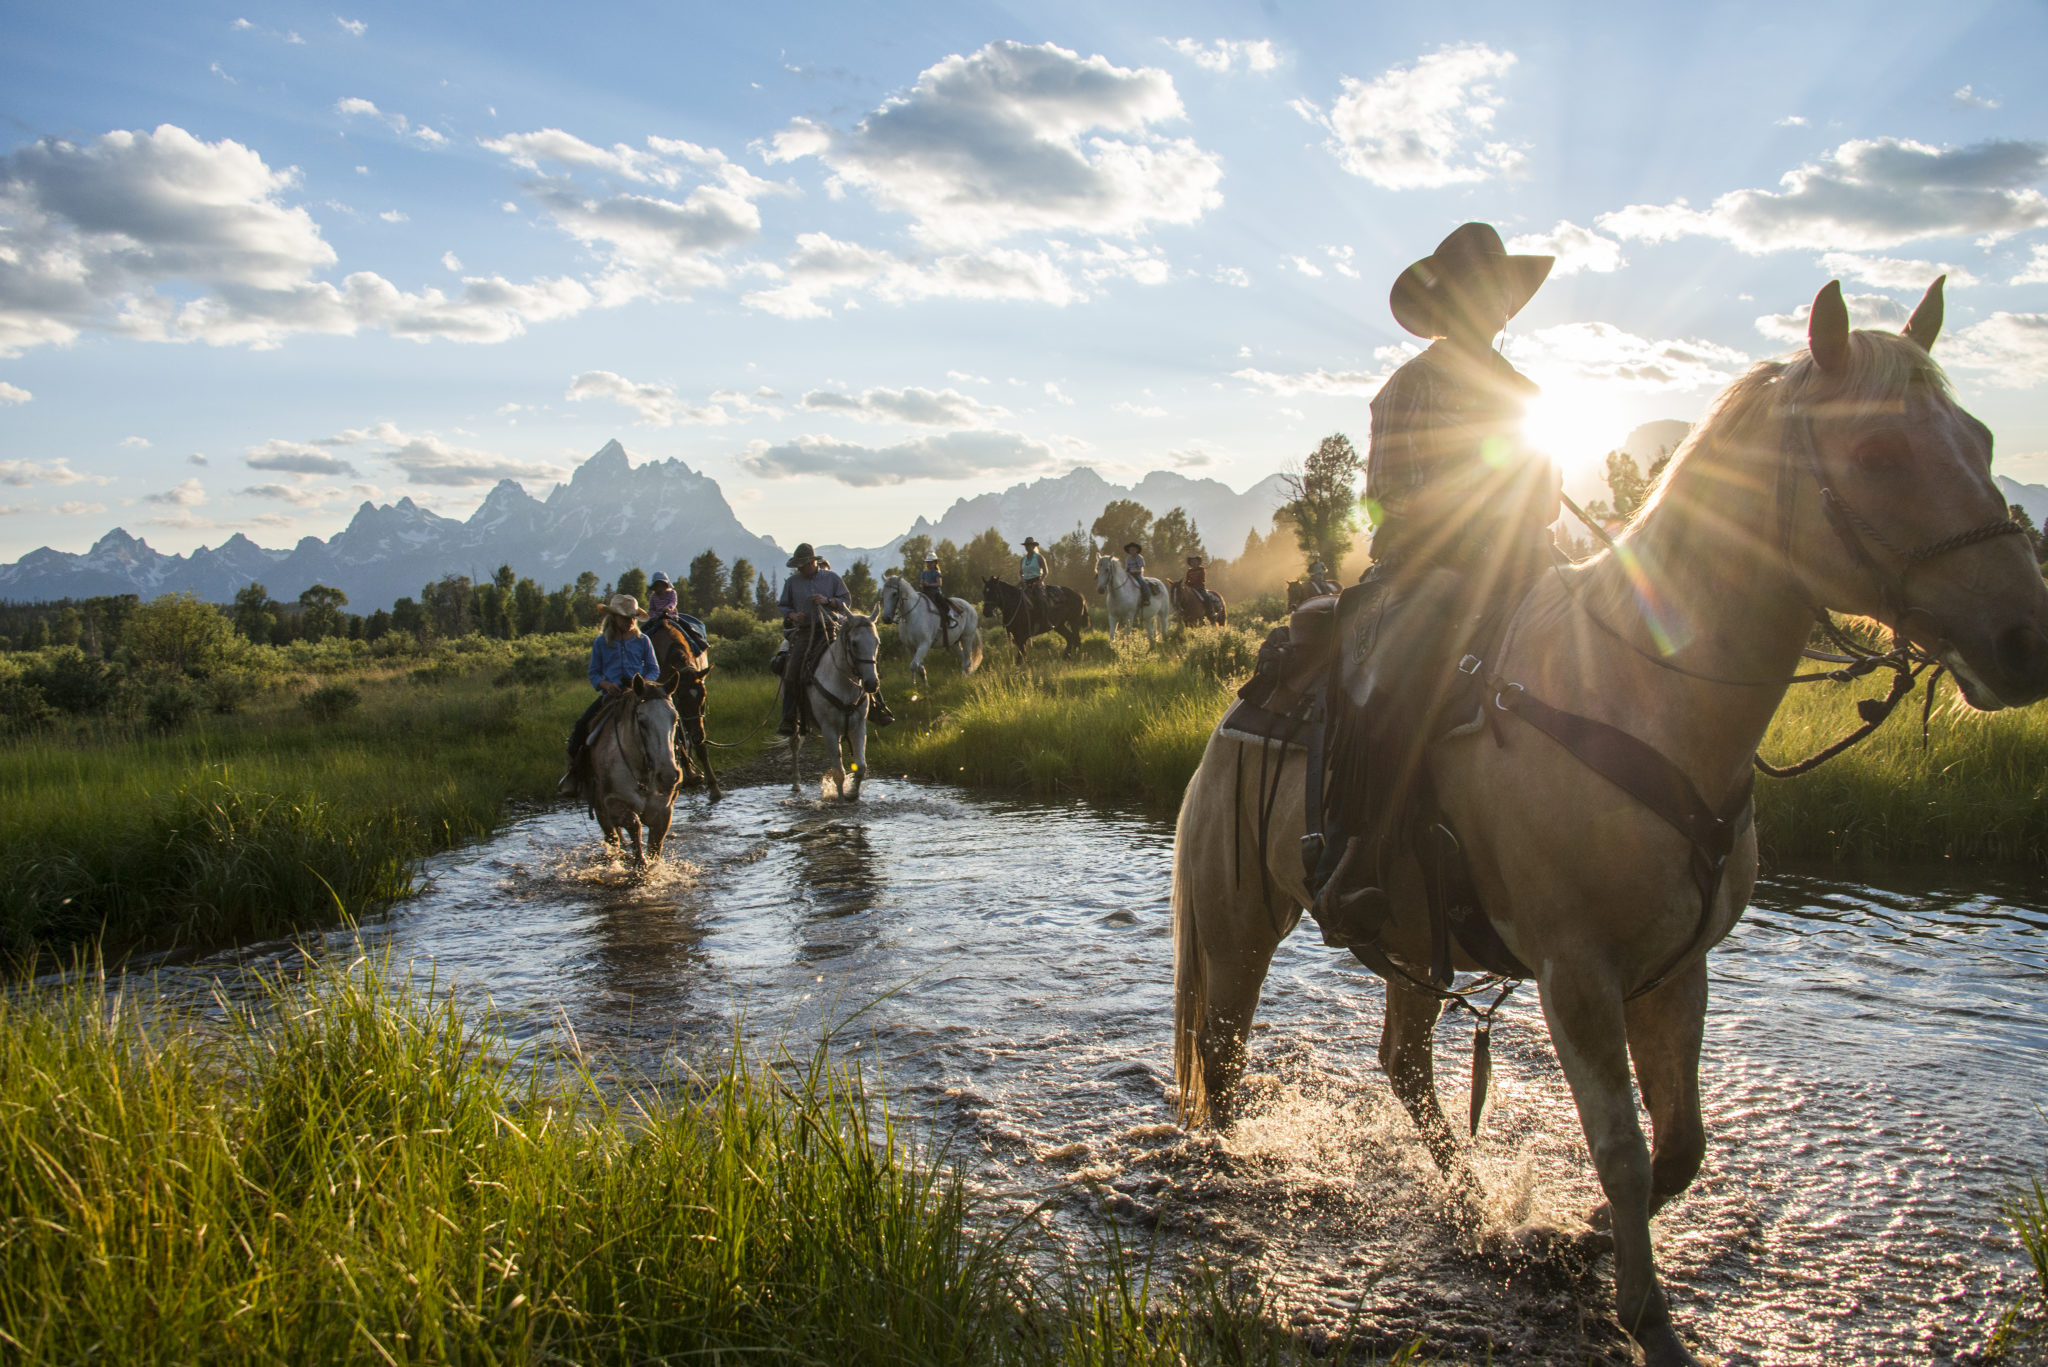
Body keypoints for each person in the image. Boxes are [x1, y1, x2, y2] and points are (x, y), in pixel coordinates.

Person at [1312, 221, 1559, 941]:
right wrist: (1478, 517)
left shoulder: (1527, 394)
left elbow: (1543, 498)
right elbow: (1388, 498)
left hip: (1518, 567)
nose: (1492, 309)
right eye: (1477, 295)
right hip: (1426, 568)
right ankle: (1360, 852)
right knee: (1405, 665)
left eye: (1499, 296)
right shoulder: (1406, 390)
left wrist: (1528, 503)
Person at [777, 542, 892, 735]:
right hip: (805, 632)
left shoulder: (831, 578)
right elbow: (784, 606)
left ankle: (877, 707)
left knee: (860, 660)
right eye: (799, 566)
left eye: (803, 565)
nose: (800, 569)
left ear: (813, 563)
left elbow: (846, 600)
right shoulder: (792, 583)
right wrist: (792, 616)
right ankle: (789, 718)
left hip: (832, 630)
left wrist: (828, 601)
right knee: (792, 669)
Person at [556, 593, 661, 796]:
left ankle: (684, 761)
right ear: (614, 617)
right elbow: (594, 672)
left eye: (632, 618)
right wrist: (605, 684)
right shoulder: (601, 643)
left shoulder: (643, 641)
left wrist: (644, 683)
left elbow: (653, 668)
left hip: (639, 693)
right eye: (625, 618)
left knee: (667, 720)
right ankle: (574, 775)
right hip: (612, 695)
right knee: (581, 727)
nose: (630, 622)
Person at [917, 552, 956, 637]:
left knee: (944, 605)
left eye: (931, 562)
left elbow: (939, 584)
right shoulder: (924, 573)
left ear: (935, 563)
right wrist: (923, 584)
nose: (929, 564)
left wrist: (929, 585)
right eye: (927, 562)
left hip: (935, 593)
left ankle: (951, 618)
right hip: (925, 592)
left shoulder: (936, 573)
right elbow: (921, 583)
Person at [1018, 536, 1049, 630]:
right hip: (1025, 583)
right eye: (1026, 545)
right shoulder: (1022, 559)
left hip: (1037, 582)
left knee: (1040, 600)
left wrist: (1040, 581)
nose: (1027, 547)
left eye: (1029, 545)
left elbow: (1046, 571)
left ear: (1033, 546)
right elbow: (1020, 572)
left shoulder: (1039, 557)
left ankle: (1045, 622)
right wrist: (1020, 580)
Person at [1183, 555, 1221, 624]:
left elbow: (1202, 579)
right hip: (1191, 589)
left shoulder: (1201, 570)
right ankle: (1181, 614)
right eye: (1192, 562)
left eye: (1195, 562)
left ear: (1198, 562)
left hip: (1200, 588)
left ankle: (1211, 612)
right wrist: (1186, 585)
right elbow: (1187, 580)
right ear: (1190, 563)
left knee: (1206, 597)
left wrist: (1192, 583)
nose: (1193, 563)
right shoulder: (1189, 571)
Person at [1122, 541, 1151, 608]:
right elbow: (1126, 568)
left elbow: (1140, 569)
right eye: (1130, 550)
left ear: (1137, 550)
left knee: (1142, 583)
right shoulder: (1127, 559)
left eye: (1133, 549)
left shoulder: (1140, 558)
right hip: (1129, 574)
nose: (1132, 551)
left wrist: (1134, 571)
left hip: (1137, 574)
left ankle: (1147, 598)